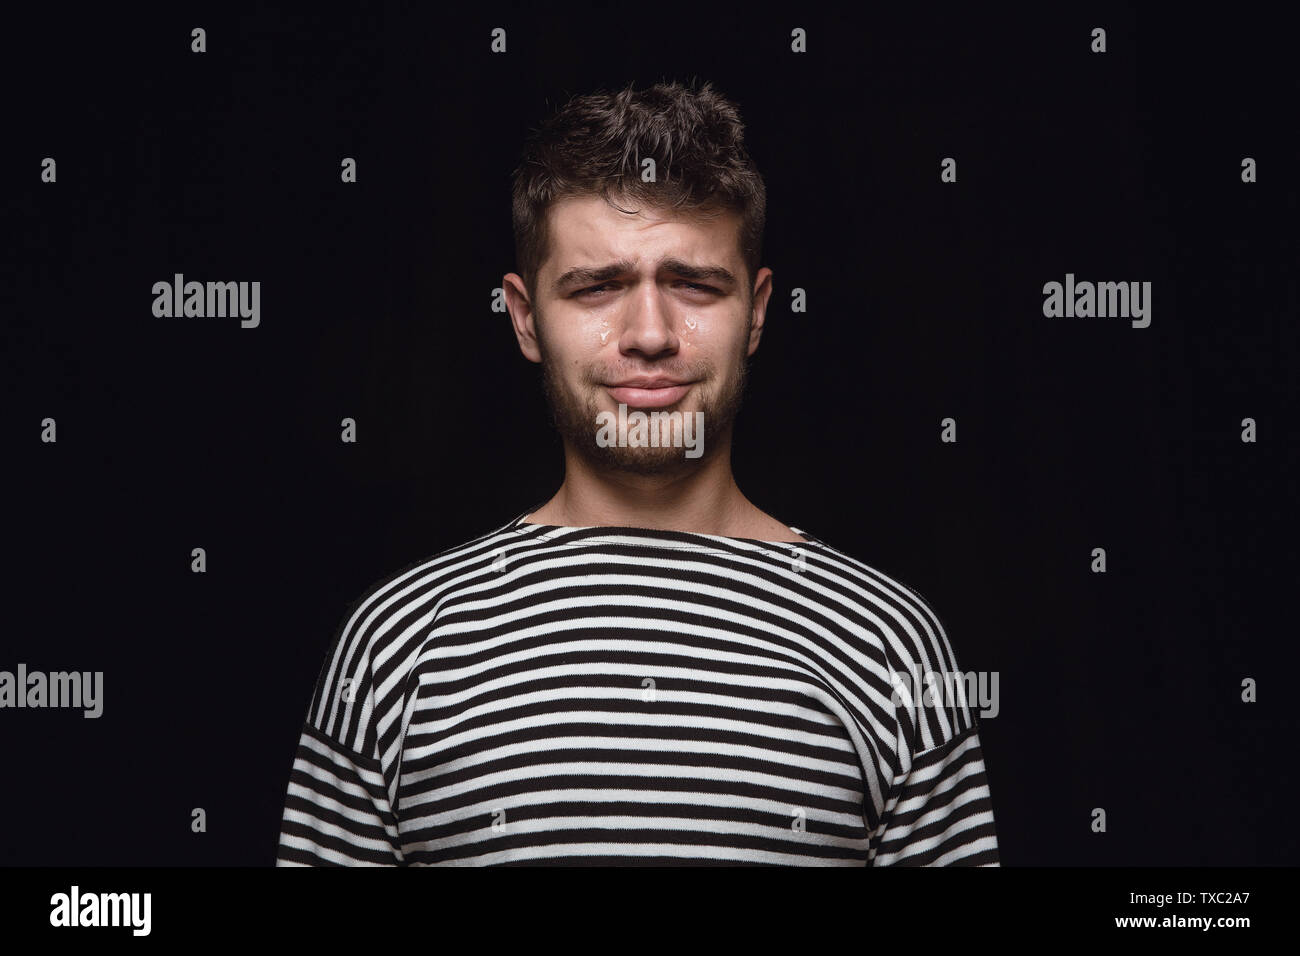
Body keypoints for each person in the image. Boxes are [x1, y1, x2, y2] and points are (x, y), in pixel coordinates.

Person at [276, 80, 999, 866]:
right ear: (524, 318)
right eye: (598, 287)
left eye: (693, 285)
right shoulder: (393, 648)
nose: (650, 335)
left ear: (757, 311)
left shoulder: (889, 644)